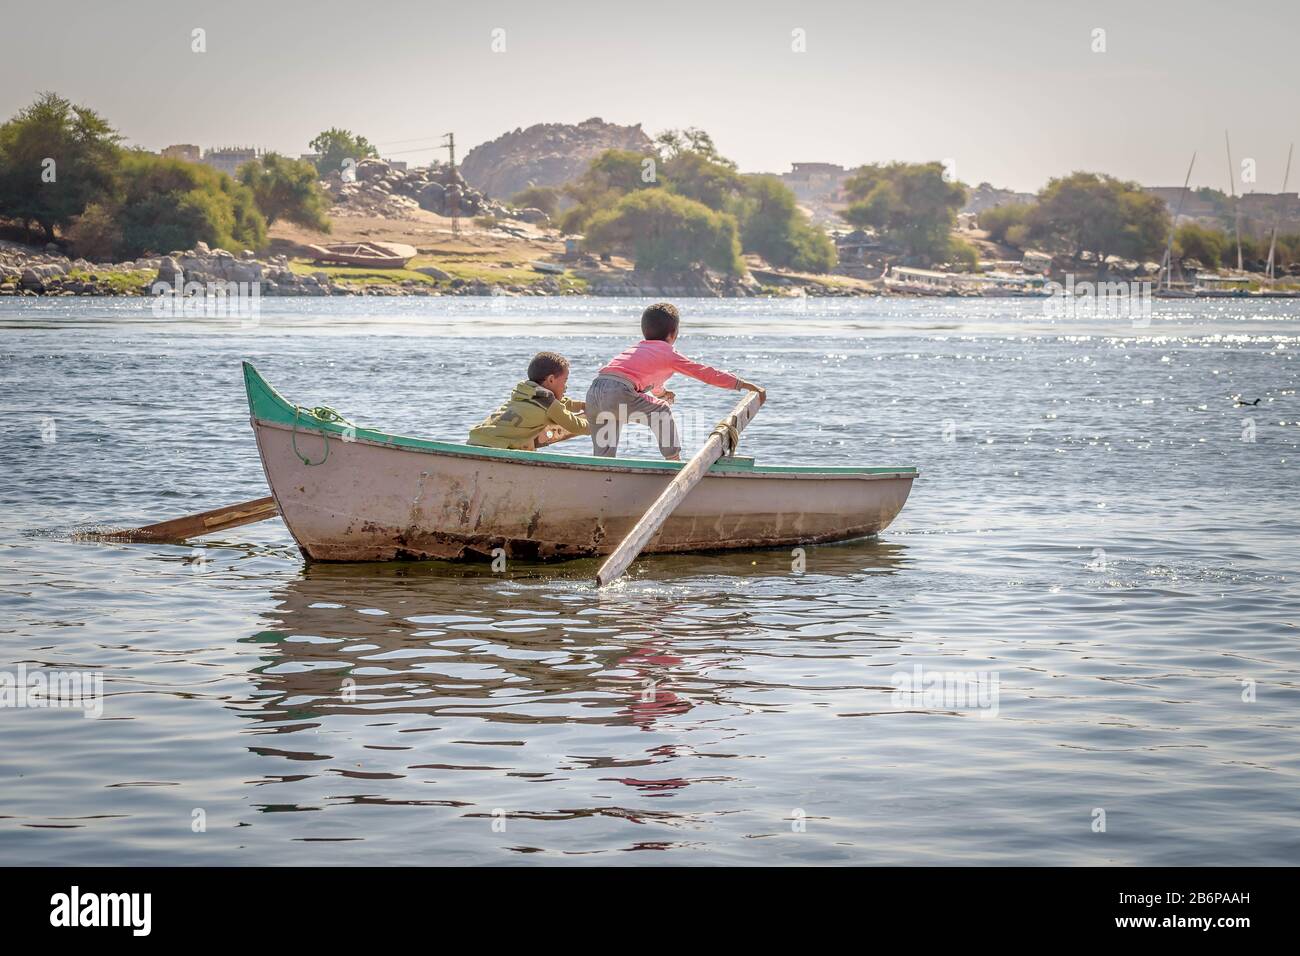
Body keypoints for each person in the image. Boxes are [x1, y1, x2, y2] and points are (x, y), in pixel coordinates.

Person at [585, 302, 764, 460]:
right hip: (619, 391)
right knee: (662, 411)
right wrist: (743, 384)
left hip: (594, 391)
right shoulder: (669, 354)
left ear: (645, 331)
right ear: (674, 334)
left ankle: (602, 472)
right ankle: (674, 461)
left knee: (604, 449)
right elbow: (705, 373)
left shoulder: (637, 349)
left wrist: (662, 393)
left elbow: (646, 381)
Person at [467, 351, 590, 450]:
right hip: (493, 448)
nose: (566, 386)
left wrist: (581, 405)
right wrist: (597, 426)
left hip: (476, 440)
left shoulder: (525, 392)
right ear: (551, 379)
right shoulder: (548, 405)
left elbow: (559, 403)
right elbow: (576, 426)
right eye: (565, 381)